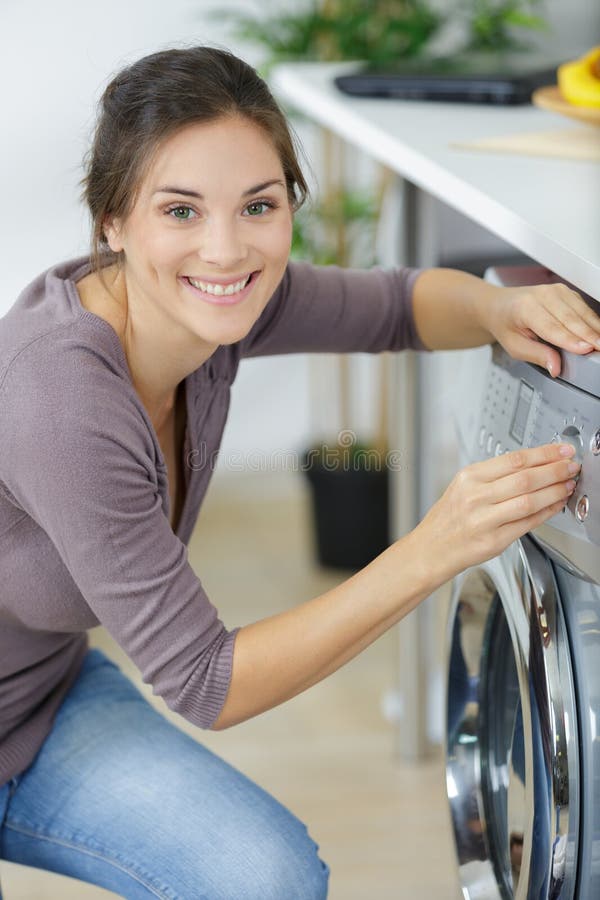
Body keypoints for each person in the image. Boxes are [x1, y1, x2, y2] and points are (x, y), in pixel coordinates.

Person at [0, 44, 597, 900]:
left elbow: (393, 306)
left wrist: (499, 306)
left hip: (38, 699)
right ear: (112, 222)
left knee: (266, 879)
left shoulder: (214, 304)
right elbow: (206, 683)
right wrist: (437, 544)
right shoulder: (62, 402)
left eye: (258, 205)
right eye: (180, 210)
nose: (224, 249)